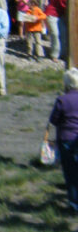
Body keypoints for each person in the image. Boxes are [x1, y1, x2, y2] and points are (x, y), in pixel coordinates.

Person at [48, 68, 78, 213]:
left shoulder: (62, 100)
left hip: (66, 139)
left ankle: (74, 204)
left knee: (71, 174)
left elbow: (54, 120)